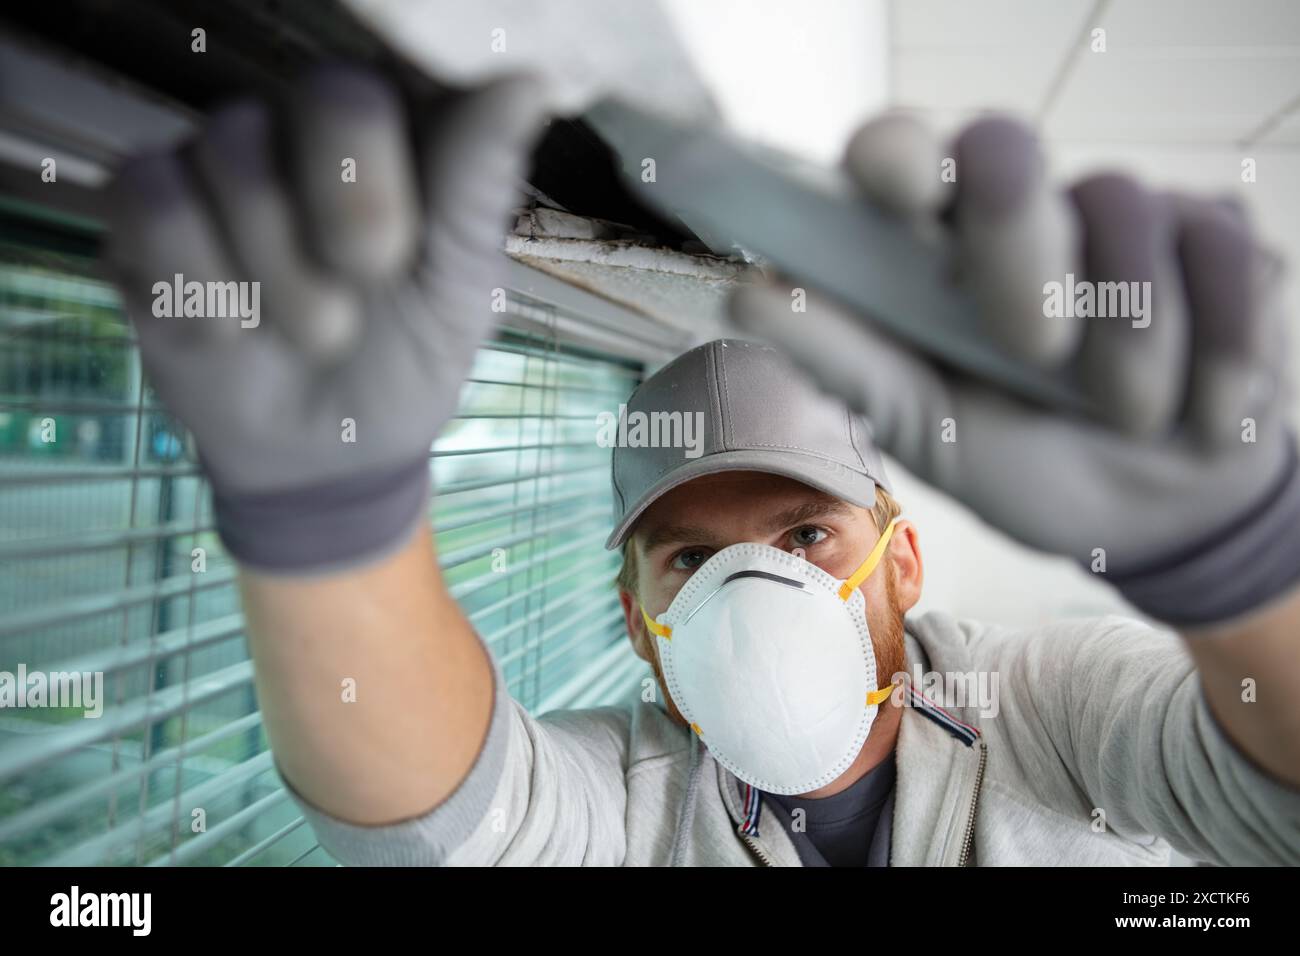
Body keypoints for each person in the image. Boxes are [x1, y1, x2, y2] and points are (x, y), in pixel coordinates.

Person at [102, 67, 1300, 866]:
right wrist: (331, 520)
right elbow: (447, 821)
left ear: (904, 562)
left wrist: (1242, 571)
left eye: (804, 535)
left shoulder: (1047, 705)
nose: (754, 590)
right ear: (637, 618)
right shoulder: (626, 797)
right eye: (689, 555)